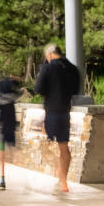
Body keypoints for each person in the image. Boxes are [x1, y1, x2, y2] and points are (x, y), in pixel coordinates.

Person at [33, 42, 81, 193]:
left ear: (49, 55)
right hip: (65, 110)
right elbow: (76, 89)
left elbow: (38, 89)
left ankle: (57, 174)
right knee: (63, 145)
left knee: (49, 144)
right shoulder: (73, 69)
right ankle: (63, 181)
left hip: (52, 110)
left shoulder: (48, 67)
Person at [0, 77, 21, 190]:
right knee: (12, 151)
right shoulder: (12, 100)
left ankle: (2, 179)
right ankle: (19, 173)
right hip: (11, 129)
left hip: (1, 131)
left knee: (1, 155)